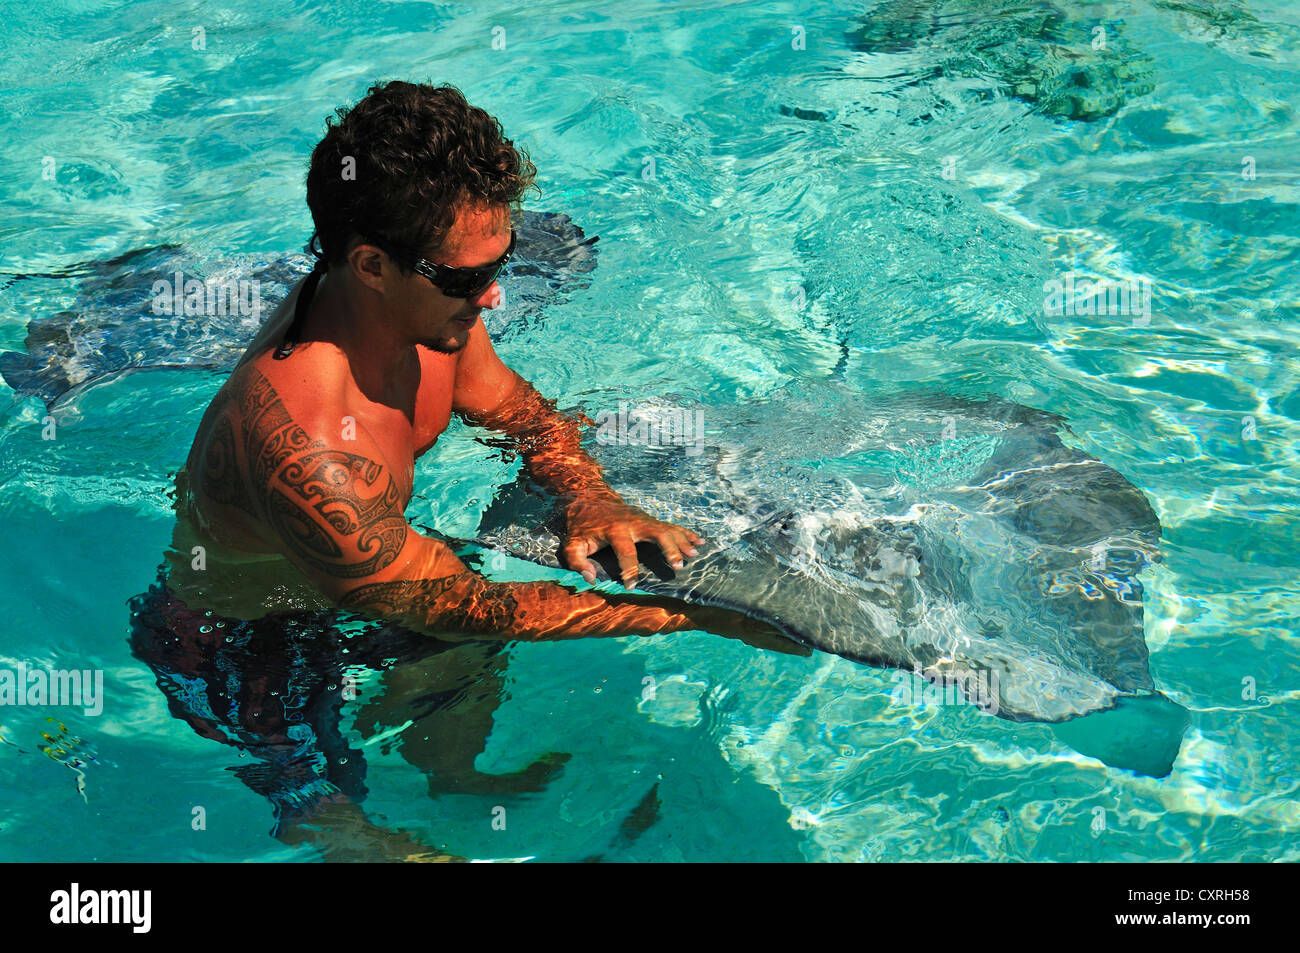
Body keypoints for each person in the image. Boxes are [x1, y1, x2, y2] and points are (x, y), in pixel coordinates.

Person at [131, 80, 799, 859]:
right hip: (239, 644)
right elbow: (467, 606)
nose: (491, 293)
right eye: (462, 277)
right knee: (336, 818)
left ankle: (452, 778)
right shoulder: (306, 448)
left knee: (462, 623)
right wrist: (691, 613)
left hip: (365, 580)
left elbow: (513, 407)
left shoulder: (428, 315)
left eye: (499, 262)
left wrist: (591, 497)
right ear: (372, 264)